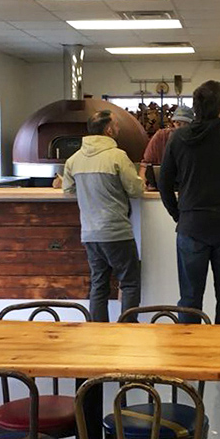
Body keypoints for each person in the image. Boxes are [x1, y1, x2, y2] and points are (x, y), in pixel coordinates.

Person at [159, 80, 220, 325]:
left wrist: (179, 214)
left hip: (192, 225)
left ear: (195, 108)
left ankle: (190, 360)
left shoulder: (179, 138)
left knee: (190, 298)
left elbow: (164, 183)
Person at [63, 109, 145, 322]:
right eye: (116, 125)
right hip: (116, 231)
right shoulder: (117, 156)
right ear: (108, 130)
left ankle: (98, 332)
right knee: (129, 282)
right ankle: (127, 328)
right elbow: (136, 190)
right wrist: (142, 177)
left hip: (89, 233)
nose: (118, 128)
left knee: (98, 284)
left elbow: (68, 189)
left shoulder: (74, 160)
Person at [139, 104, 194, 189]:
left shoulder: (195, 140)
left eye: (186, 124)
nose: (181, 128)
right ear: (174, 123)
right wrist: (142, 186)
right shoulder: (161, 137)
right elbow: (145, 164)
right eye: (178, 124)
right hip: (160, 188)